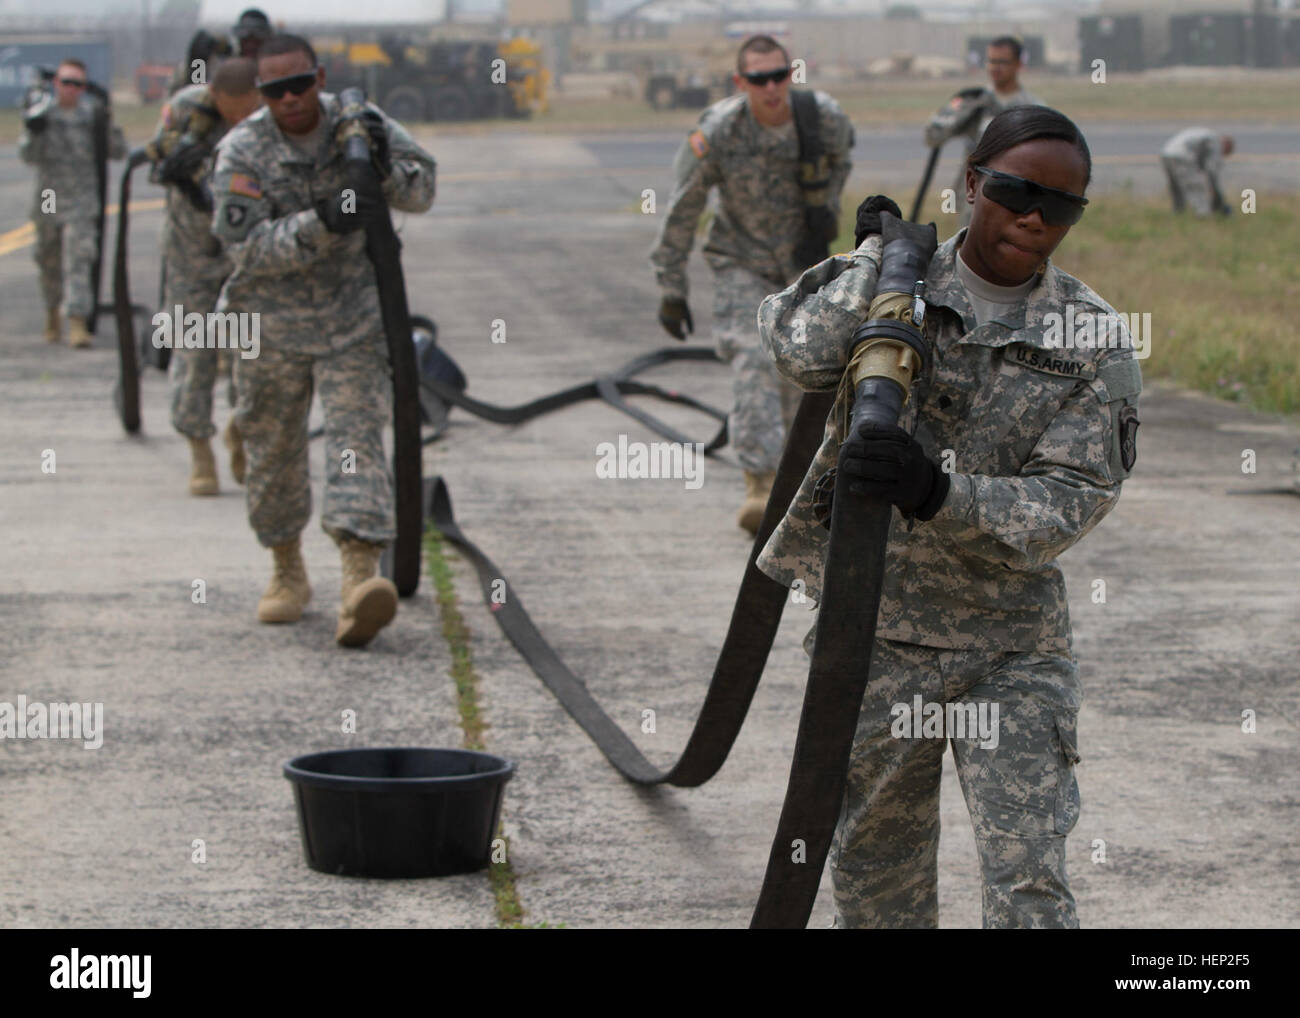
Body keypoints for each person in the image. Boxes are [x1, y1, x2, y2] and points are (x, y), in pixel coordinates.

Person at [756, 106, 1143, 928]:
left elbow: (1071, 502)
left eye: (1061, 207)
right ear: (972, 184)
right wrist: (879, 262)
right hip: (875, 636)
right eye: (1016, 191)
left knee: (1028, 882)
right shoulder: (897, 284)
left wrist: (939, 492)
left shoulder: (1092, 338)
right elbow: (801, 354)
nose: (1036, 218)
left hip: (1009, 648)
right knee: (877, 883)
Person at [210, 33, 435, 647]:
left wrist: (382, 165)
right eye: (274, 90)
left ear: (319, 76)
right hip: (270, 324)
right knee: (273, 450)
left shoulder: (360, 123)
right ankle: (287, 570)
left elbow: (424, 191)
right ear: (261, 94)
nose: (289, 99)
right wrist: (323, 222)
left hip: (353, 321)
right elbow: (246, 247)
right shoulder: (242, 150)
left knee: (356, 440)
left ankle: (359, 581)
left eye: (299, 84)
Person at [649, 34, 854, 534]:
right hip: (740, 262)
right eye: (758, 78)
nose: (771, 87)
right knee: (753, 359)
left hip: (802, 267)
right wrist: (671, 285)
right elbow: (683, 208)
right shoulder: (720, 131)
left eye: (779, 75)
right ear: (740, 82)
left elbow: (840, 168)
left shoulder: (823, 119)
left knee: (807, 370)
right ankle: (760, 485)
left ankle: (802, 482)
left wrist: (821, 222)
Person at [147, 57, 262, 496]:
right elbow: (158, 155)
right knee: (194, 351)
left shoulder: (266, 116)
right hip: (191, 251)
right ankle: (199, 448)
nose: (238, 119)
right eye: (231, 110)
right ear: (214, 95)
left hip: (246, 251)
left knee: (249, 351)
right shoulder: (185, 108)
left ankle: (242, 431)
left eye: (245, 110)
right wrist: (182, 163)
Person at [18, 59, 126, 346]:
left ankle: (77, 321)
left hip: (81, 197)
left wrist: (109, 119)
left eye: (78, 84)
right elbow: (28, 157)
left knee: (79, 259)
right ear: (56, 83)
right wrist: (34, 130)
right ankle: (52, 312)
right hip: (50, 195)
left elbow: (118, 152)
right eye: (66, 82)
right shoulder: (43, 113)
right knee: (48, 256)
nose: (71, 89)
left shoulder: (92, 115)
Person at [924, 35, 1040, 227]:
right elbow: (932, 136)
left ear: (1019, 65)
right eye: (991, 61)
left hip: (1017, 202)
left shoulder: (1033, 108)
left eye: (1002, 62)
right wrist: (956, 113)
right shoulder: (975, 102)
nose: (995, 67)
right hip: (975, 200)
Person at [1161, 128, 1234, 217]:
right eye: (1224, 153)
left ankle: (1178, 212)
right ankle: (1203, 215)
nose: (1222, 155)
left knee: (1176, 187)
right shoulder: (1216, 143)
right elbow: (1211, 170)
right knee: (1197, 186)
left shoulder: (1205, 135)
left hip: (1167, 153)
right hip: (1183, 155)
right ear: (1226, 145)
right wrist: (1218, 197)